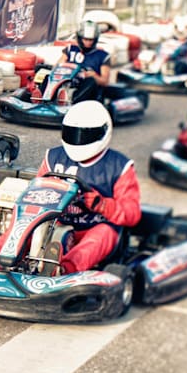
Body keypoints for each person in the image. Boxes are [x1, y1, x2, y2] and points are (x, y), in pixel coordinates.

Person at [35, 100, 141, 275]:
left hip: (93, 227)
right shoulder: (53, 157)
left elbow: (132, 213)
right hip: (57, 223)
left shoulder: (119, 166)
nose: (78, 140)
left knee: (102, 234)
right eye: (73, 133)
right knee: (29, 220)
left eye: (84, 135)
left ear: (103, 132)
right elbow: (36, 190)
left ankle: (63, 270)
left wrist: (102, 205)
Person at [52, 19, 111, 104]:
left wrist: (94, 75)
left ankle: (71, 100)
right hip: (67, 82)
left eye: (91, 40)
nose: (88, 42)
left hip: (85, 89)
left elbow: (105, 81)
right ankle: (41, 98)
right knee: (46, 74)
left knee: (91, 81)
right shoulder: (70, 49)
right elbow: (57, 66)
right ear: (80, 38)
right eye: (85, 39)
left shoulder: (102, 56)